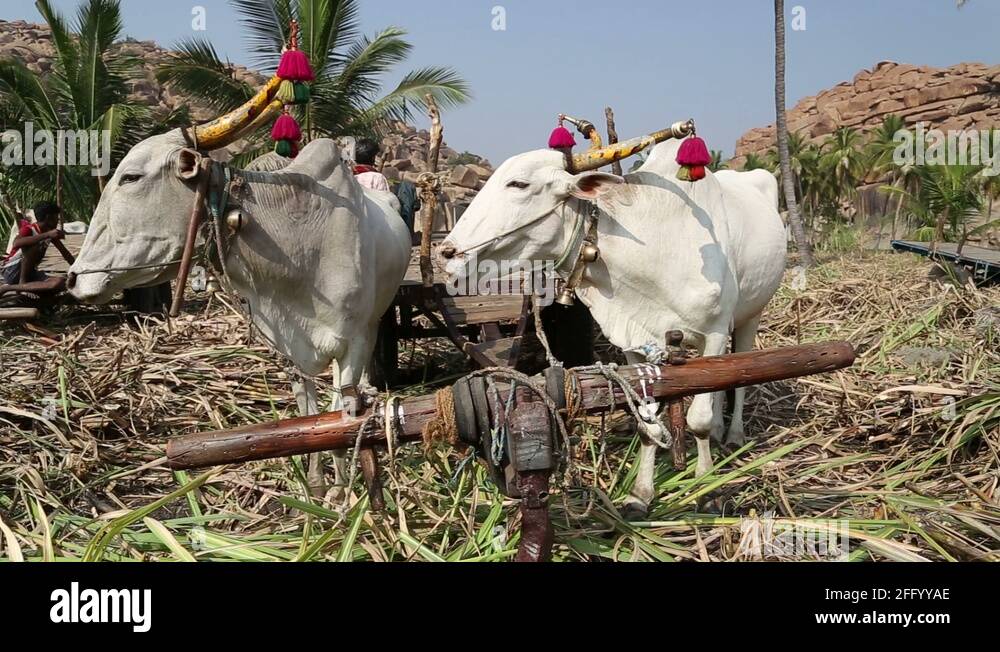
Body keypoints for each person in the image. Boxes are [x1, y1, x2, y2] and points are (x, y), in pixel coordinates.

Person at [0, 201, 67, 297]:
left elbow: (65, 254)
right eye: (57, 217)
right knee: (34, 246)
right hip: (12, 271)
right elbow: (16, 243)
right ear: (48, 218)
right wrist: (47, 235)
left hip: (31, 273)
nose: (58, 220)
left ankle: (18, 287)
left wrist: (78, 271)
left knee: (60, 283)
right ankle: (18, 285)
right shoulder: (29, 229)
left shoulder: (49, 233)